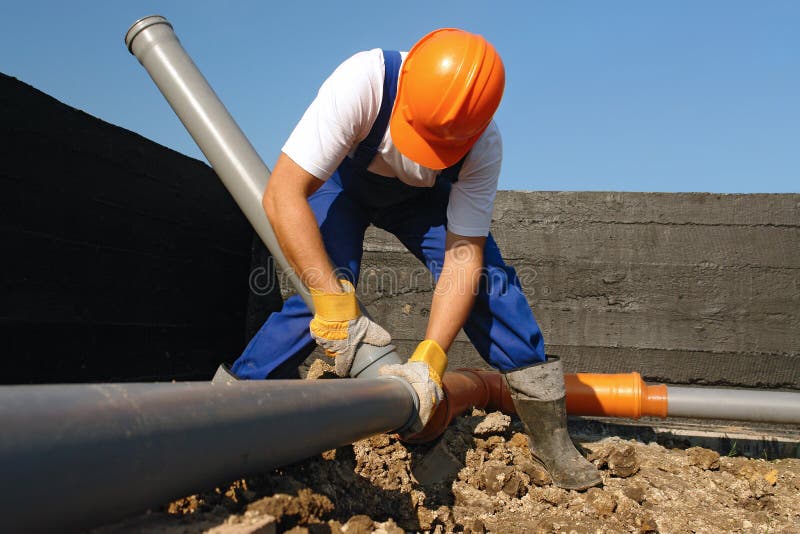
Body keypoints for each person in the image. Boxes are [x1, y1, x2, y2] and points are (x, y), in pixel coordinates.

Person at [222, 28, 601, 490]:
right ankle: (229, 405)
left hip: (425, 200)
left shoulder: (483, 146)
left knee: (491, 285)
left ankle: (551, 436)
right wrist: (333, 304)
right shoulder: (363, 82)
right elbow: (283, 194)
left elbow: (463, 257)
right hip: (345, 182)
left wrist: (431, 358)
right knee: (319, 289)